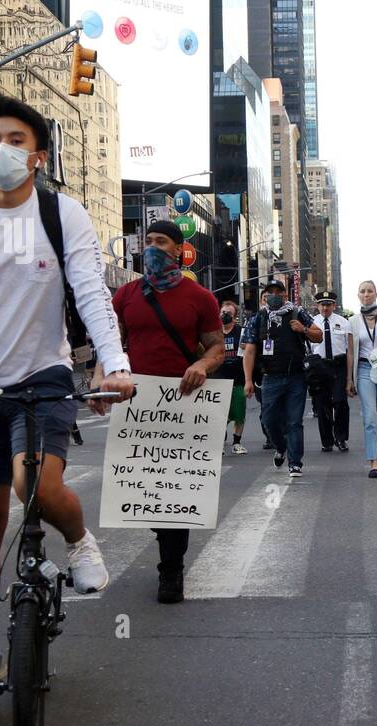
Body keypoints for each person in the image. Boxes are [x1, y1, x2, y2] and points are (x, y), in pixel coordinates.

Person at [0, 94, 134, 696]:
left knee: (30, 481)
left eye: (16, 139)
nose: (3, 149)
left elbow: (91, 294)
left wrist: (114, 365)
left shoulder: (63, 216)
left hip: (44, 380)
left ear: (37, 156)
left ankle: (79, 539)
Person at [111, 219, 225, 603]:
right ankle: (165, 538)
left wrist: (201, 366)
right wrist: (108, 375)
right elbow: (111, 344)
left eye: (161, 242)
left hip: (182, 403)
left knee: (175, 490)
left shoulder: (200, 298)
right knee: (149, 489)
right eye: (148, 241)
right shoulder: (126, 295)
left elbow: (217, 349)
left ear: (179, 249)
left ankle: (171, 570)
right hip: (137, 405)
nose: (152, 248)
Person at [242, 279, 322, 478]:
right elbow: (249, 351)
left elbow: (318, 335)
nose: (275, 295)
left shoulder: (298, 313)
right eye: (271, 292)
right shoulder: (257, 318)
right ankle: (281, 447)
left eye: (279, 291)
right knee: (269, 420)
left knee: (294, 421)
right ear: (266, 296)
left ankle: (295, 463)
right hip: (270, 378)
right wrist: (248, 380)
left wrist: (303, 329)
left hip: (296, 377)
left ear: (286, 295)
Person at [348, 280, 377, 477]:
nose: (366, 294)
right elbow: (350, 352)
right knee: (369, 418)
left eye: (369, 291)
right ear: (358, 295)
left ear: (376, 294)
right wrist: (349, 379)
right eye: (362, 291)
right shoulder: (353, 321)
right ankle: (373, 461)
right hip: (365, 369)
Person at [309, 289, 351, 453]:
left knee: (340, 402)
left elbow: (349, 350)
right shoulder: (311, 322)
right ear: (317, 306)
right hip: (319, 367)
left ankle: (341, 438)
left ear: (334, 305)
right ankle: (326, 440)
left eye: (328, 304)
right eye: (321, 305)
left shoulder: (344, 322)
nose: (325, 308)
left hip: (338, 365)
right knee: (322, 404)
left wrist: (350, 377)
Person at [218, 297, 250, 454]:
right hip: (218, 379)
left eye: (229, 313)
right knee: (220, 414)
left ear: (235, 316)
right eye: (223, 312)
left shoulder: (242, 332)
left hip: (238, 379)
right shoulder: (214, 333)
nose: (225, 315)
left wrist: (247, 347)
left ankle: (236, 442)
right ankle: (220, 442)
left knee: (238, 412)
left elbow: (249, 353)